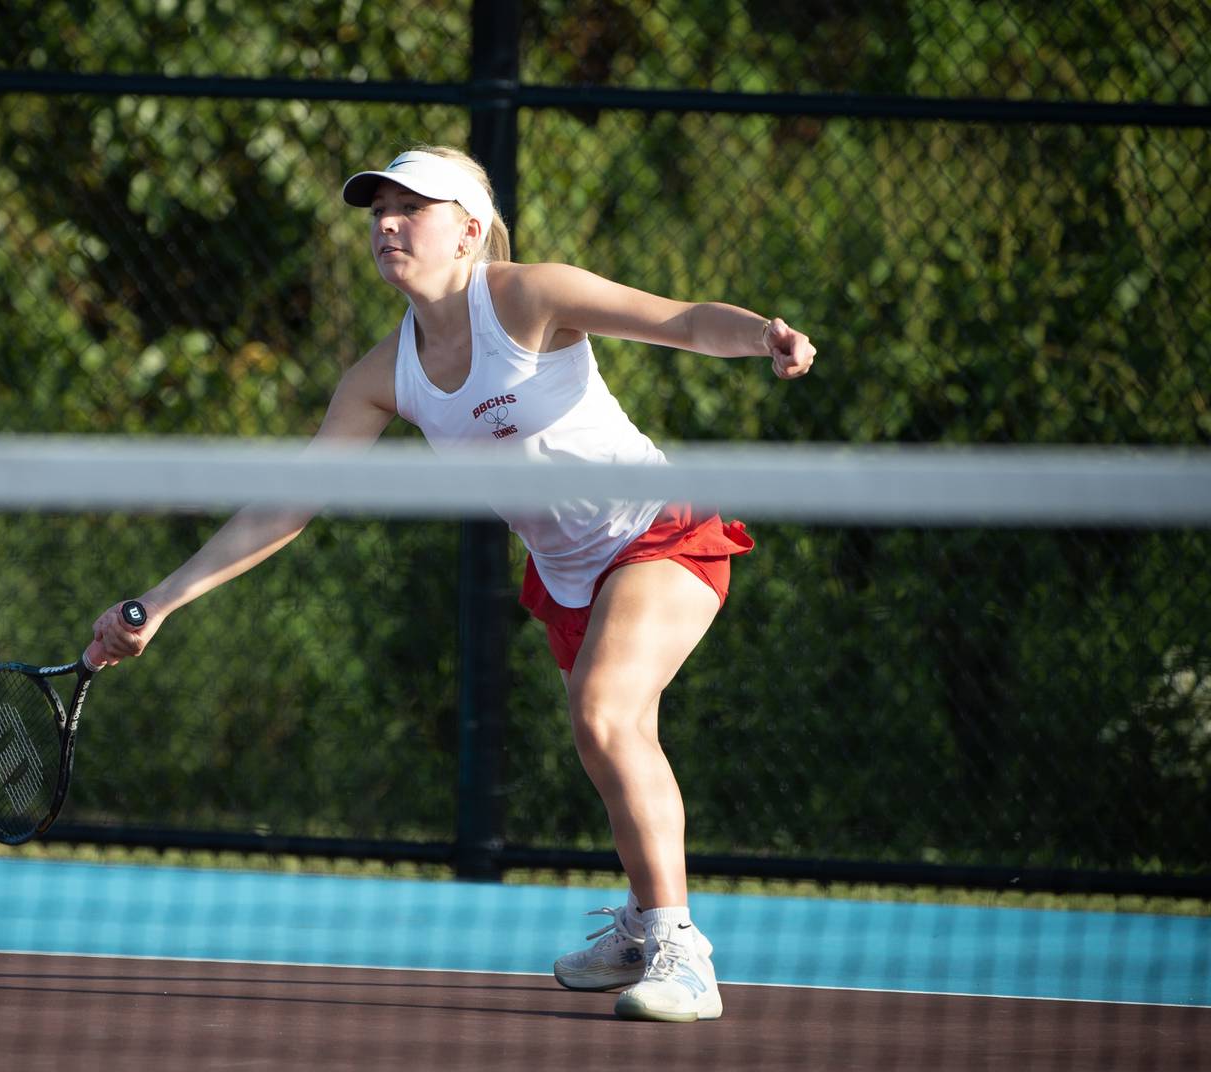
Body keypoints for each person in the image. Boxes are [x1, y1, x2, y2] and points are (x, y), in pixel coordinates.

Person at [87, 145, 815, 1023]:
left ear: (470, 229)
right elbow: (289, 503)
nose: (387, 222)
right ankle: (640, 923)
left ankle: (680, 951)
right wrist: (159, 603)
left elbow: (682, 321)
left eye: (412, 207)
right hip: (567, 574)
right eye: (378, 210)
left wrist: (761, 333)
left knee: (603, 714)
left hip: (659, 530)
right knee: (612, 744)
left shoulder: (527, 295)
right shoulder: (381, 375)